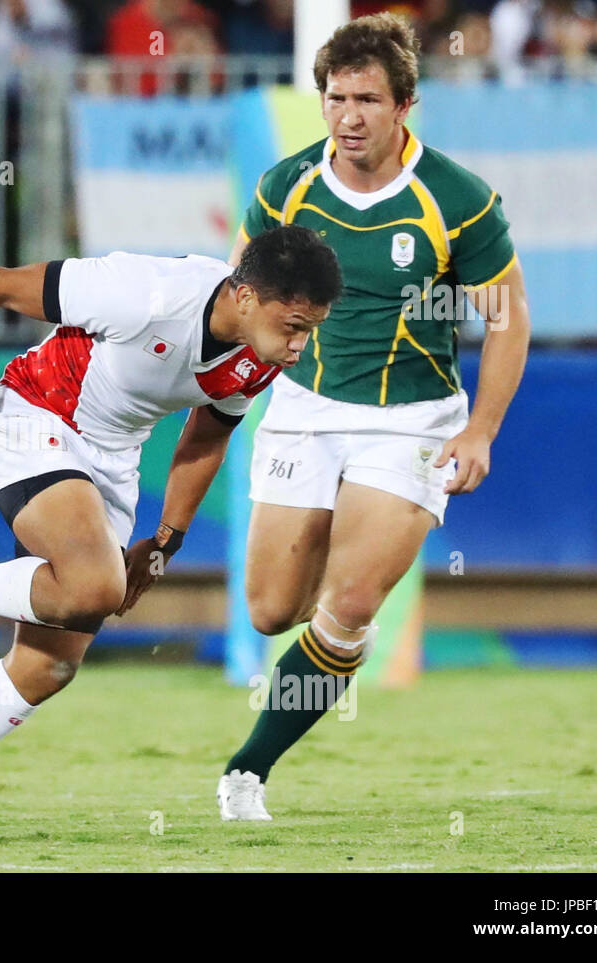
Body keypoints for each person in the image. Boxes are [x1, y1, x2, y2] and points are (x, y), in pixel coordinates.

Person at [0, 225, 343, 843]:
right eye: (294, 325)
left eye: (310, 329)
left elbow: (207, 435)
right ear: (244, 296)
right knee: (93, 586)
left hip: (112, 462)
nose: (299, 346)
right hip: (35, 416)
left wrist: (166, 540)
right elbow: (2, 286)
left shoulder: (260, 355)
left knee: (48, 668)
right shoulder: (147, 291)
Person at [217, 13, 531, 821]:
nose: (348, 115)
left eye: (366, 99)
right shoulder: (285, 187)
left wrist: (481, 429)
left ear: (405, 104)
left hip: (413, 422)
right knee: (271, 610)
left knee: (352, 602)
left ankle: (247, 771)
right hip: (302, 411)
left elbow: (507, 316)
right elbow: (237, 295)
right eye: (334, 97)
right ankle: (332, 599)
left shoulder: (456, 200)